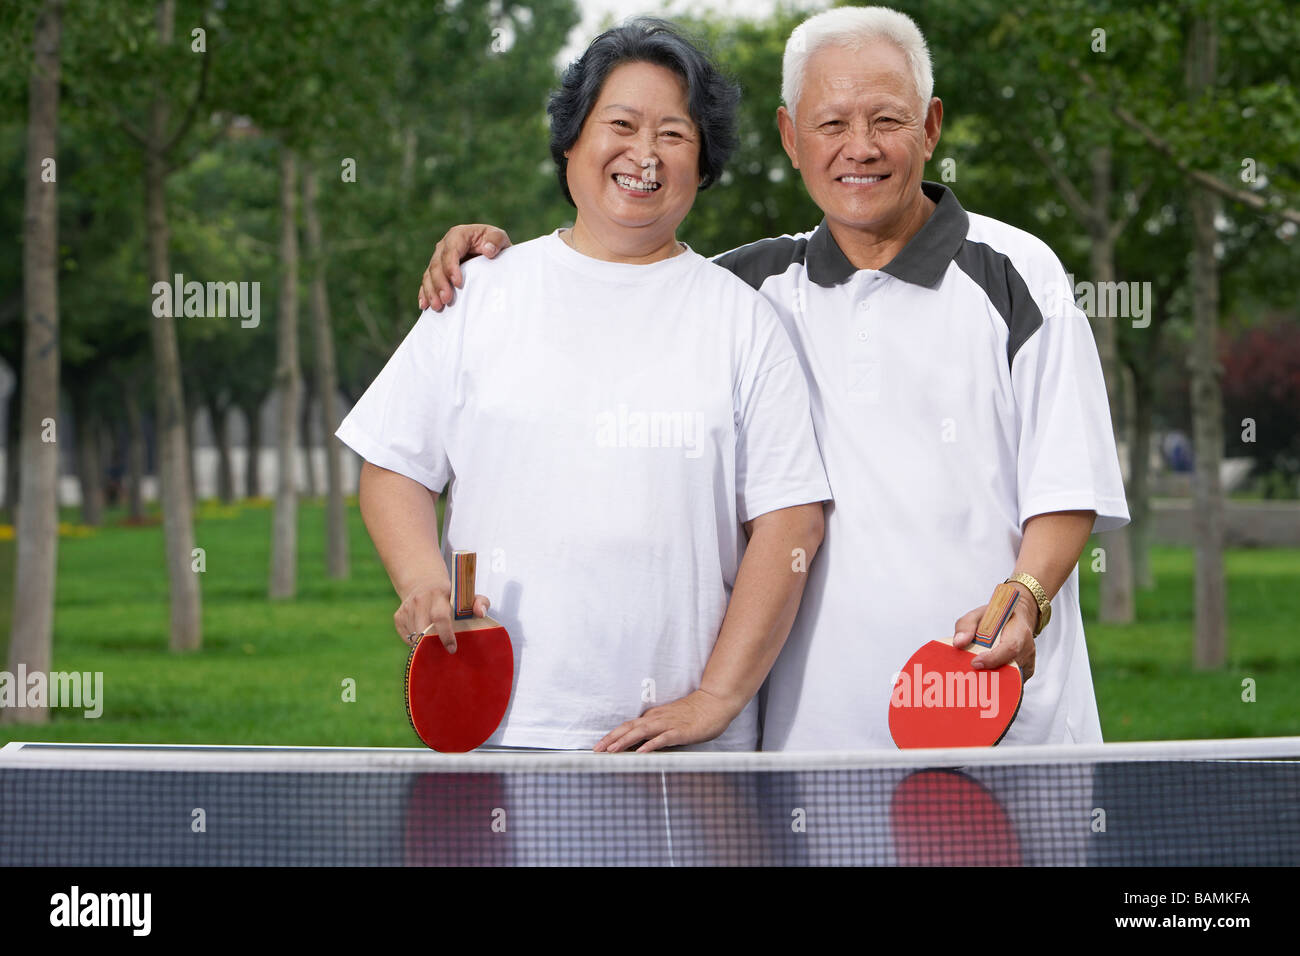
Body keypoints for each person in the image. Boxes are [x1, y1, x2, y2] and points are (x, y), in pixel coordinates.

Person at [415, 6, 1130, 750]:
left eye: (887, 119)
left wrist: (1030, 594)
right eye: (831, 125)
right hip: (808, 745)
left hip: (999, 717)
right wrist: (494, 256)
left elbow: (1066, 485)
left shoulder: (1019, 273)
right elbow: (617, 275)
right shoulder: (745, 289)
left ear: (931, 126)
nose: (860, 148)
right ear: (791, 137)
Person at [337, 19, 830, 752]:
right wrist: (419, 580)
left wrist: (716, 698)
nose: (645, 154)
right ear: (571, 140)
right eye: (621, 124)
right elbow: (394, 469)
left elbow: (791, 525)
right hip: (505, 727)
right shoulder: (479, 293)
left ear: (704, 163)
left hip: (681, 751)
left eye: (674, 134)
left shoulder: (743, 321)